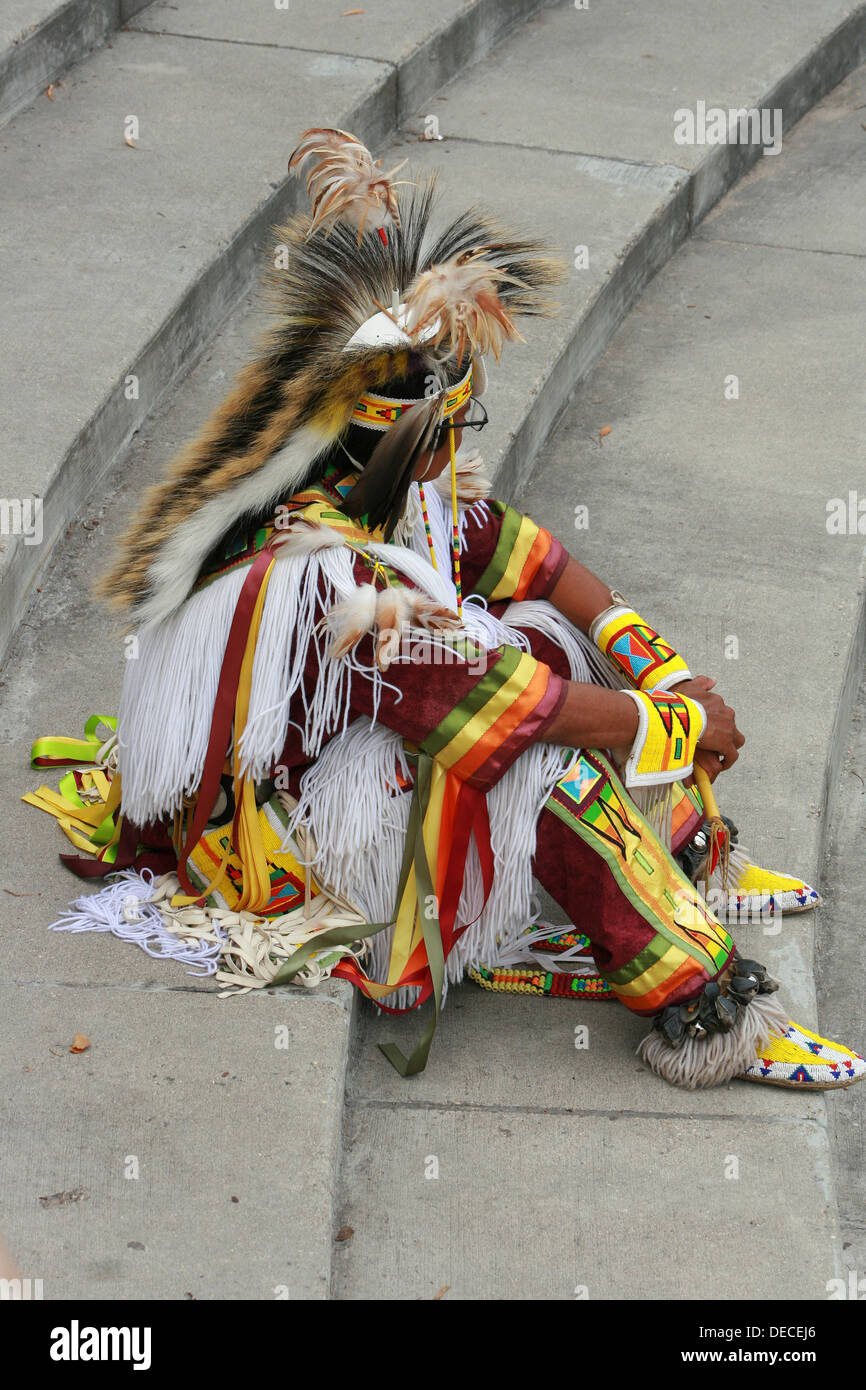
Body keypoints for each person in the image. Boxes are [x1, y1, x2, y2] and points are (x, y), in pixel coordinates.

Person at [27, 128, 864, 1090]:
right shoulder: (334, 579)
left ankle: (691, 853)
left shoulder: (375, 489)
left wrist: (660, 674)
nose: (464, 440)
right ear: (402, 437)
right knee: (551, 765)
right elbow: (508, 714)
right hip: (281, 837)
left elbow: (546, 569)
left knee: (556, 639)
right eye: (455, 423)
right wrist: (677, 722)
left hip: (336, 751)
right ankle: (709, 1012)